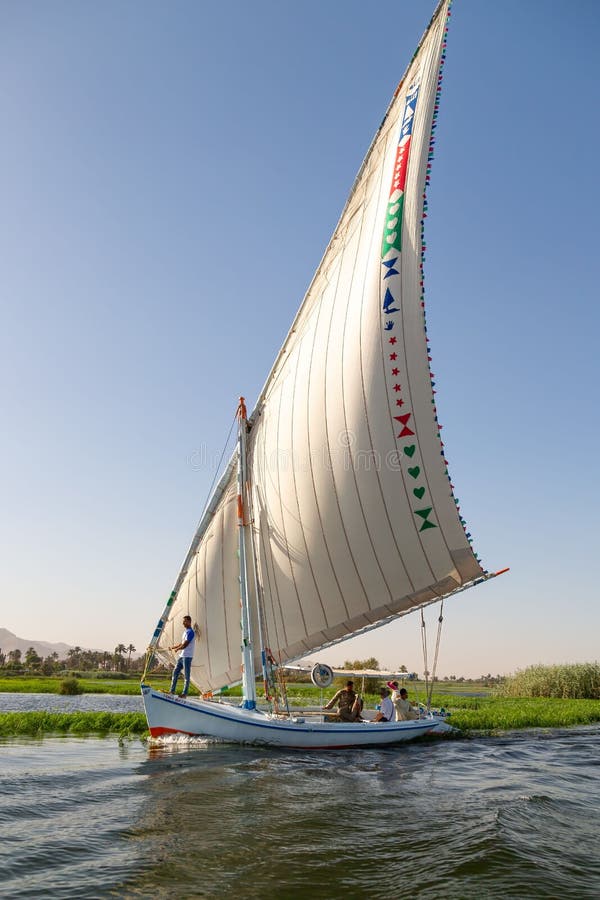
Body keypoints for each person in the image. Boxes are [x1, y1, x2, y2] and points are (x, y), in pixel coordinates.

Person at [169, 615, 196, 697]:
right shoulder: (185, 632)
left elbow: (185, 645)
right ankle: (172, 691)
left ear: (189, 622)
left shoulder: (191, 632)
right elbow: (181, 643)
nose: (183, 623)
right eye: (183, 621)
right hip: (181, 656)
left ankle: (184, 694)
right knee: (175, 672)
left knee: (186, 676)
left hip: (187, 657)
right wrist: (173, 647)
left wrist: (177, 649)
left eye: (184, 621)